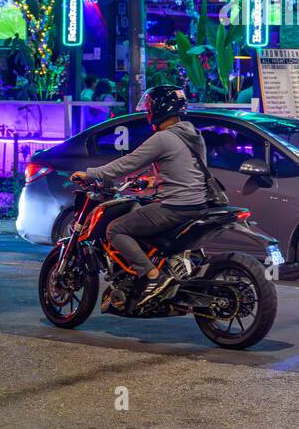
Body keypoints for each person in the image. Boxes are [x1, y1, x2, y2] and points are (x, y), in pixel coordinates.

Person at [72, 87, 210, 305]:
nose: (148, 112)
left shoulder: (164, 138)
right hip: (198, 204)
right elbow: (187, 171)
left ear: (157, 109)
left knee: (115, 229)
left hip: (175, 207)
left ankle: (153, 276)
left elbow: (126, 164)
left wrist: (90, 174)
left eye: (149, 107)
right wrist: (153, 182)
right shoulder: (192, 134)